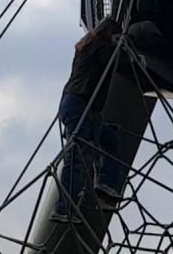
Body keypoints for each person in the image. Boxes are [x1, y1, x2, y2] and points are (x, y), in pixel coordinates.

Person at [51, 18, 125, 223]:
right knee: (77, 157)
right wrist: (125, 49)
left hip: (81, 107)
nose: (117, 41)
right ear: (109, 34)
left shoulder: (89, 47)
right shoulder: (98, 46)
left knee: (111, 140)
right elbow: (113, 62)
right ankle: (63, 208)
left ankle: (104, 186)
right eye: (116, 37)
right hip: (79, 105)